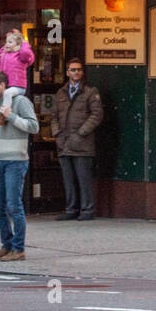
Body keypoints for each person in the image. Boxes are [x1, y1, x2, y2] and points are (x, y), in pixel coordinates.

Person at [0, 68, 39, 262]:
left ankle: (18, 248)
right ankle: (6, 244)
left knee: (14, 205)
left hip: (16, 160)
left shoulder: (20, 102)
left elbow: (33, 126)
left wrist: (11, 116)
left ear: (2, 86)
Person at [53, 58, 104, 221]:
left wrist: (81, 132)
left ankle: (87, 210)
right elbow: (53, 116)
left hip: (82, 143)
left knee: (84, 178)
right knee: (68, 179)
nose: (76, 72)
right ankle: (71, 209)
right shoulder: (61, 92)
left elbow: (97, 114)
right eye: (73, 70)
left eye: (79, 70)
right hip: (64, 142)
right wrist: (57, 134)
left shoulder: (90, 91)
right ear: (67, 72)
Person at [0, 29, 35, 99]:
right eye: (6, 42)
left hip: (17, 86)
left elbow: (26, 52)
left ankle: (5, 109)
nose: (7, 44)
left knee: (7, 93)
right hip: (6, 85)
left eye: (10, 42)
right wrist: (8, 42)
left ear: (18, 44)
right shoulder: (5, 54)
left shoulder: (20, 56)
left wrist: (23, 41)